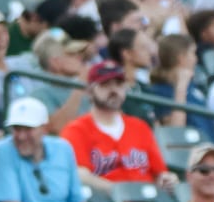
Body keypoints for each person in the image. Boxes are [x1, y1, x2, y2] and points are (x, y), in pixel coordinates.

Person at [61, 62, 176, 195]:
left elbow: (160, 173)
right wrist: (122, 192)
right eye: (105, 85)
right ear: (90, 92)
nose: (114, 90)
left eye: (119, 84)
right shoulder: (76, 130)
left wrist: (168, 180)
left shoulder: (140, 126)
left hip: (148, 200)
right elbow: (81, 176)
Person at [0, 98, 87, 202]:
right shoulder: (2, 152)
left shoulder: (63, 149)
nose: (21, 136)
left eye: (28, 129)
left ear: (44, 128)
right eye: (17, 129)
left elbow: (77, 201)